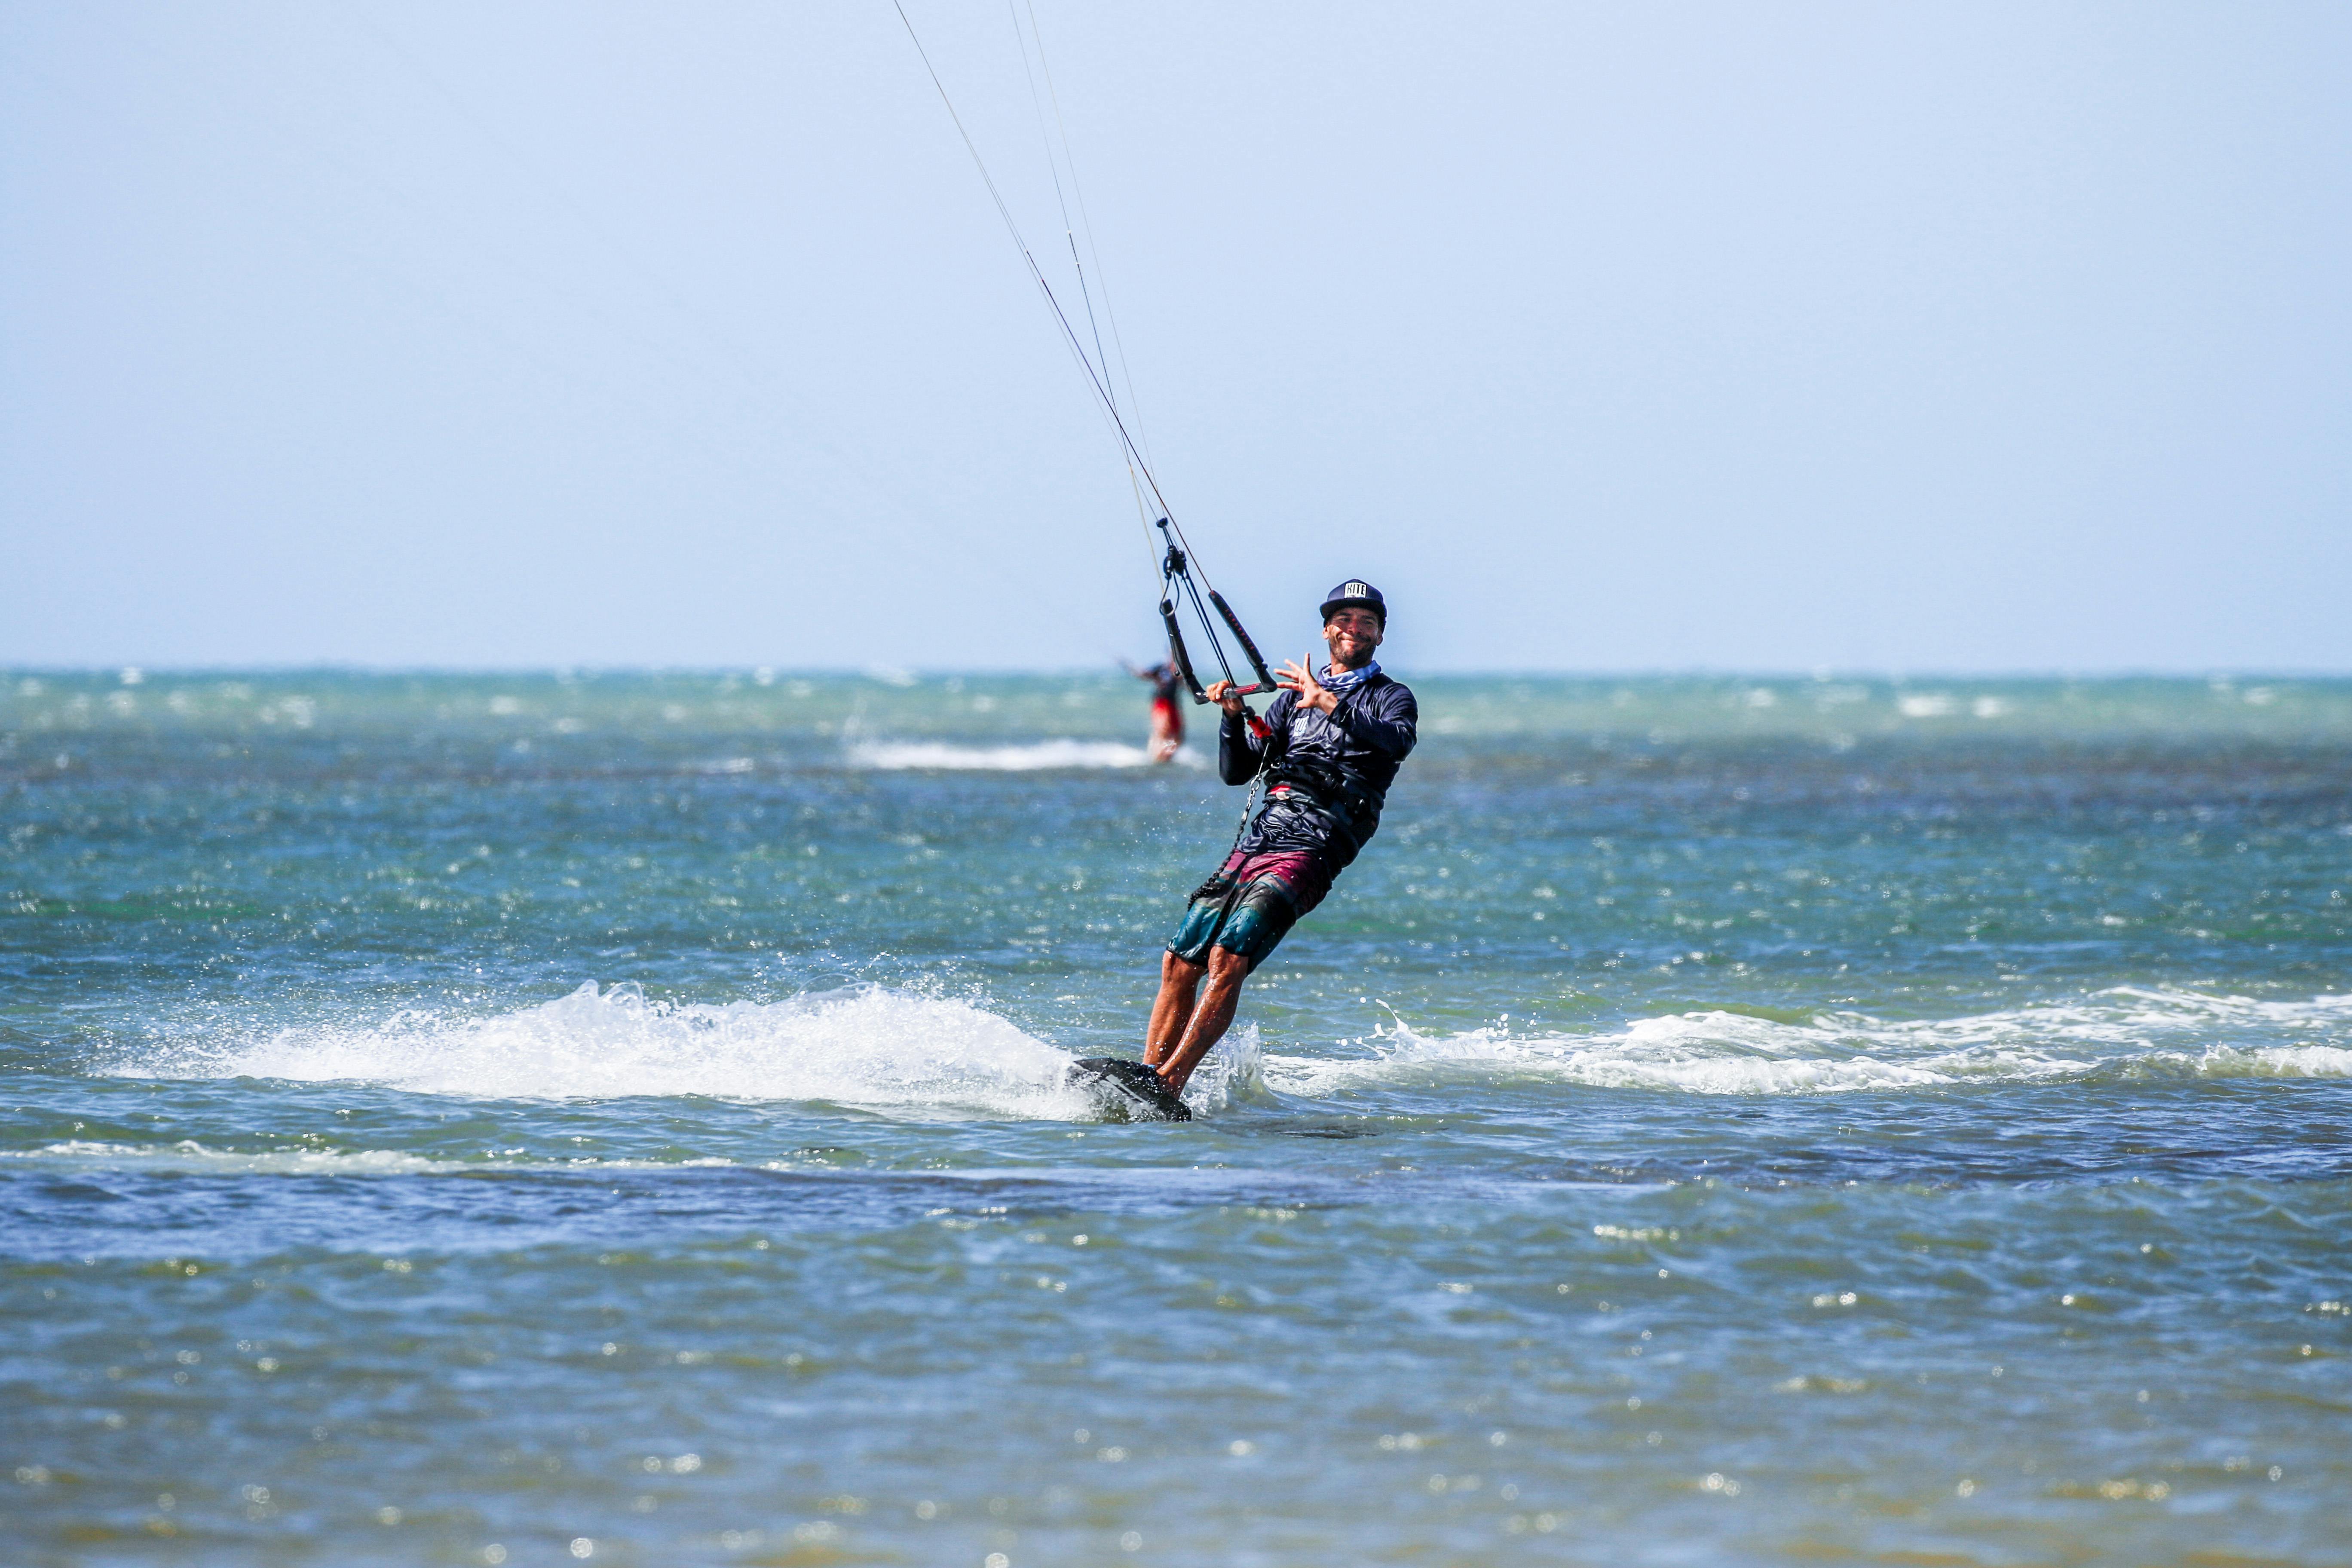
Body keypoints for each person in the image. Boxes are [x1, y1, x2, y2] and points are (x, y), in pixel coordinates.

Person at [1142, 580, 1417, 1094]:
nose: (1353, 628)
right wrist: (1231, 720)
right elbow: (1238, 772)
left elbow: (1395, 743)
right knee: (1180, 959)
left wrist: (1330, 703)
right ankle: (1147, 1074)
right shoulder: (1291, 703)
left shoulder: (1391, 699)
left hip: (1317, 844)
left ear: (1380, 636)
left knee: (1230, 957)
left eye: (1366, 622)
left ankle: (1171, 1083)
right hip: (1264, 836)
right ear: (1327, 630)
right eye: (1344, 619)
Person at [1126, 659, 1185, 763]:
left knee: (1179, 735)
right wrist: (1135, 671)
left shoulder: (1181, 671)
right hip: (1161, 702)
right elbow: (1146, 675)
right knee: (1163, 730)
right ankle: (1158, 754)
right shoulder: (1162, 668)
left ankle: (1167, 754)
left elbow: (1186, 685)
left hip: (1174, 704)